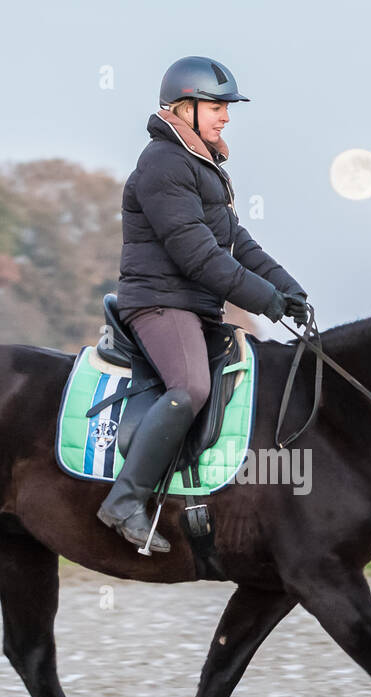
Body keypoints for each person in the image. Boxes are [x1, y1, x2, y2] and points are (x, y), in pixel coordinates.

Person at [100, 55, 309, 553]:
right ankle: (125, 500)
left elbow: (237, 242)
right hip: (158, 303)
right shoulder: (163, 164)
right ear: (183, 107)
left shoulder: (203, 165)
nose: (226, 116)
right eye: (216, 106)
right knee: (191, 386)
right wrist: (265, 301)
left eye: (226, 107)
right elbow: (197, 255)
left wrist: (289, 288)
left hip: (193, 307)